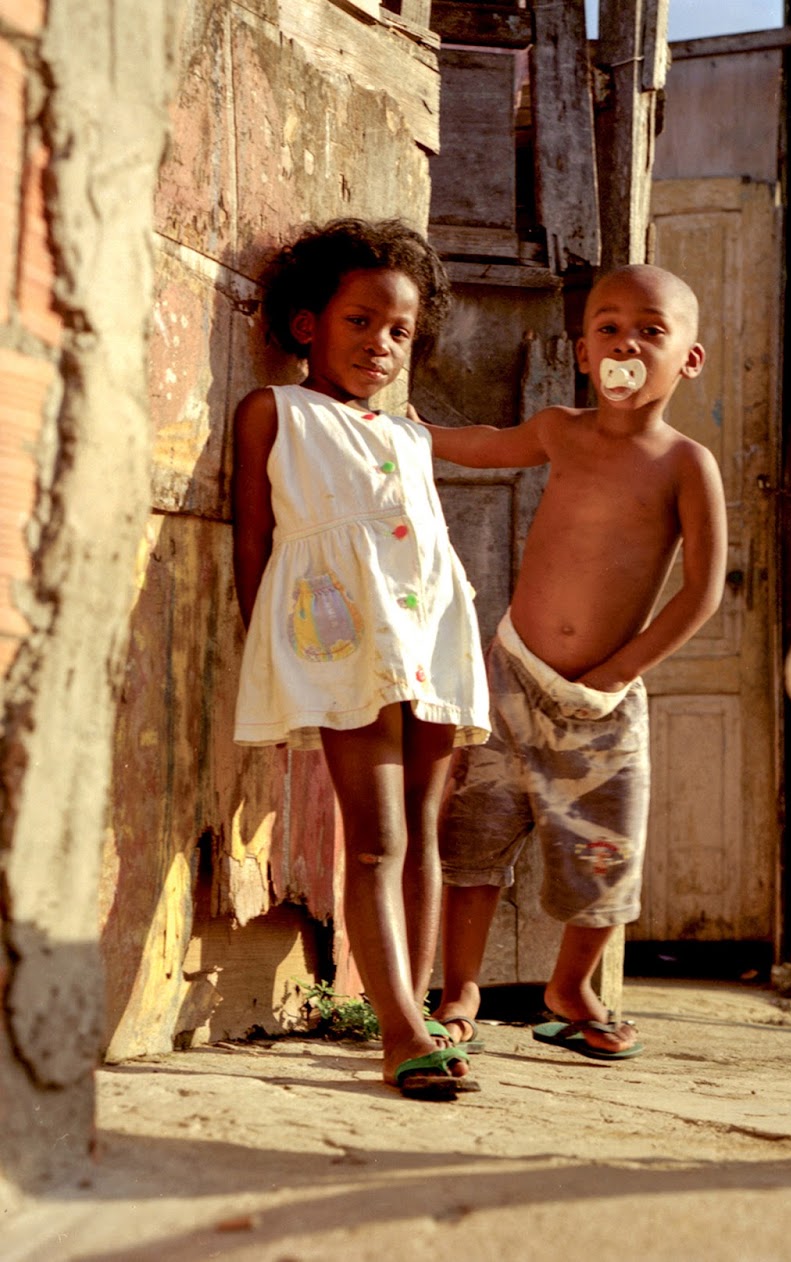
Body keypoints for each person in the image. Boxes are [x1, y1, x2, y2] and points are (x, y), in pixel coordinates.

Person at [420, 263, 727, 1060]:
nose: (628, 343)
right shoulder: (560, 429)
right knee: (475, 836)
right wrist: (410, 434)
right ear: (585, 354)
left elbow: (701, 593)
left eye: (651, 332)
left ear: (688, 359)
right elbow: (486, 447)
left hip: (600, 699)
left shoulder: (686, 465)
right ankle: (458, 990)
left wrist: (617, 671)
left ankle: (572, 987)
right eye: (609, 328)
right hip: (512, 674)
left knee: (604, 847)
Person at [232, 218, 489, 1098]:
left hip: (426, 633)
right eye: (361, 322)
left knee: (423, 832)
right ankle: (398, 1034)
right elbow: (256, 546)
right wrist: (272, 667)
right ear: (307, 325)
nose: (381, 345)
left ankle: (414, 1013)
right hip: (340, 639)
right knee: (374, 837)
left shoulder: (412, 434)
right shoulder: (275, 412)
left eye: (400, 332)